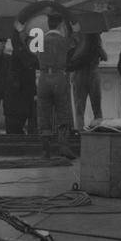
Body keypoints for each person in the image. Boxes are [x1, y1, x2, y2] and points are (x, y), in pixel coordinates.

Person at [35, 13, 75, 153]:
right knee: (63, 111)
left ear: (48, 25)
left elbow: (37, 58)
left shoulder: (40, 41)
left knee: (44, 112)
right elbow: (72, 54)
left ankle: (46, 149)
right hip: (59, 76)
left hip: (44, 78)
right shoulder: (64, 41)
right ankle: (64, 147)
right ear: (60, 25)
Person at [67, 31, 107, 125]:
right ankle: (98, 130)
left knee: (80, 109)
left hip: (80, 74)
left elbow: (70, 56)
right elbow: (104, 56)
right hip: (92, 73)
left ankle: (80, 134)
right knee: (96, 109)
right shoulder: (95, 36)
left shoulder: (76, 36)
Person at [4, 30, 38, 135]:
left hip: (20, 97)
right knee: (16, 126)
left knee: (16, 127)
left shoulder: (22, 55)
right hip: (19, 96)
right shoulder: (24, 55)